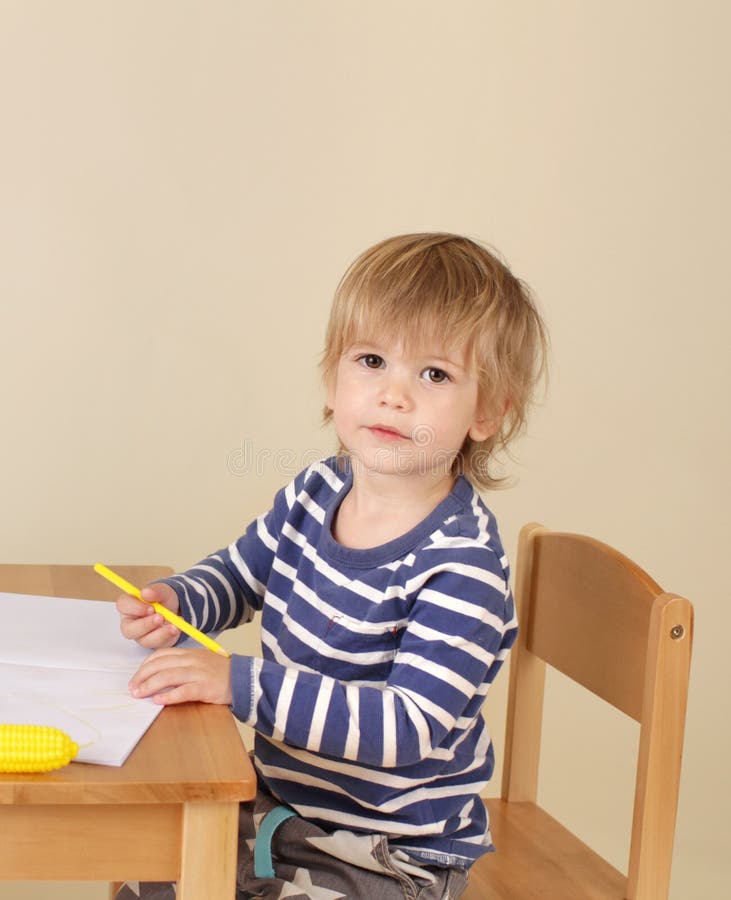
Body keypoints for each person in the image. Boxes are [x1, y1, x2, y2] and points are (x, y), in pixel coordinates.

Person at [115, 232, 547, 900]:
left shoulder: (461, 568)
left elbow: (404, 726)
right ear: (332, 377)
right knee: (151, 871)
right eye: (371, 360)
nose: (393, 395)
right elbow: (239, 574)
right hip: (277, 814)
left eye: (433, 374)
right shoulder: (315, 493)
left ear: (486, 412)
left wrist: (238, 683)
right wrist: (182, 600)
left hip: (386, 854)